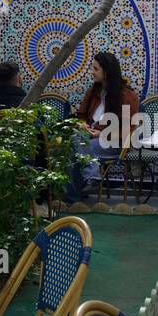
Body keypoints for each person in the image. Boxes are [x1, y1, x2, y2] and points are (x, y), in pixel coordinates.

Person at [64, 52, 140, 203]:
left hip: (115, 142)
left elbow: (128, 130)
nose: (92, 72)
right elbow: (80, 115)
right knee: (75, 142)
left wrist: (101, 134)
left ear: (107, 72)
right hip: (89, 137)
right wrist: (82, 124)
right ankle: (89, 179)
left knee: (74, 146)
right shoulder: (93, 91)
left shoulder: (127, 96)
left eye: (96, 69)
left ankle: (74, 197)